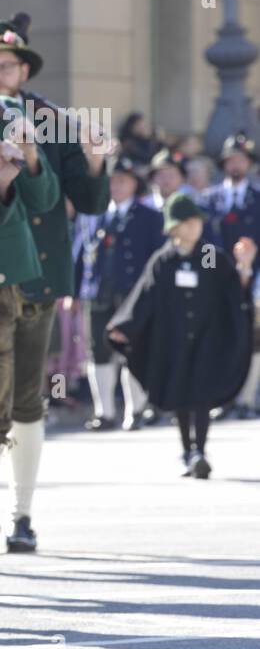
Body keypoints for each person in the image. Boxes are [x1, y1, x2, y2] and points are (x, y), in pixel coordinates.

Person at [0, 14, 109, 557]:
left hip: (34, 273)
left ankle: (21, 513)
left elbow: (90, 200)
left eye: (4, 65)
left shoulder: (49, 120)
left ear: (24, 69)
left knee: (28, 397)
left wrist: (97, 155)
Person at [108, 194, 256, 478]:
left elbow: (230, 287)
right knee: (179, 393)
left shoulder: (209, 255)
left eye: (196, 222)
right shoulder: (163, 260)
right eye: (187, 223)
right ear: (173, 227)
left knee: (201, 393)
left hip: (206, 336)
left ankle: (200, 450)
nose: (193, 228)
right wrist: (124, 326)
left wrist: (244, 266)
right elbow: (144, 297)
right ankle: (186, 450)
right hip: (172, 337)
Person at [74, 158, 162, 432]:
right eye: (112, 180)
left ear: (135, 184)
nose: (117, 185)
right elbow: (79, 255)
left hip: (133, 296)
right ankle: (105, 412)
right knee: (98, 353)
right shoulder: (93, 214)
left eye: (123, 180)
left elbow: (156, 259)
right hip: (98, 293)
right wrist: (74, 291)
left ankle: (135, 410)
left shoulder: (150, 217)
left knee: (132, 351)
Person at [201, 133, 260, 419]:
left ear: (248, 163)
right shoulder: (209, 199)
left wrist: (251, 265)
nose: (236, 164)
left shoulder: (257, 198)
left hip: (255, 279)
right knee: (221, 337)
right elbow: (204, 242)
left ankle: (247, 400)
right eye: (231, 160)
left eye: (241, 159)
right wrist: (213, 272)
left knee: (252, 339)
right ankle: (223, 397)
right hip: (219, 281)